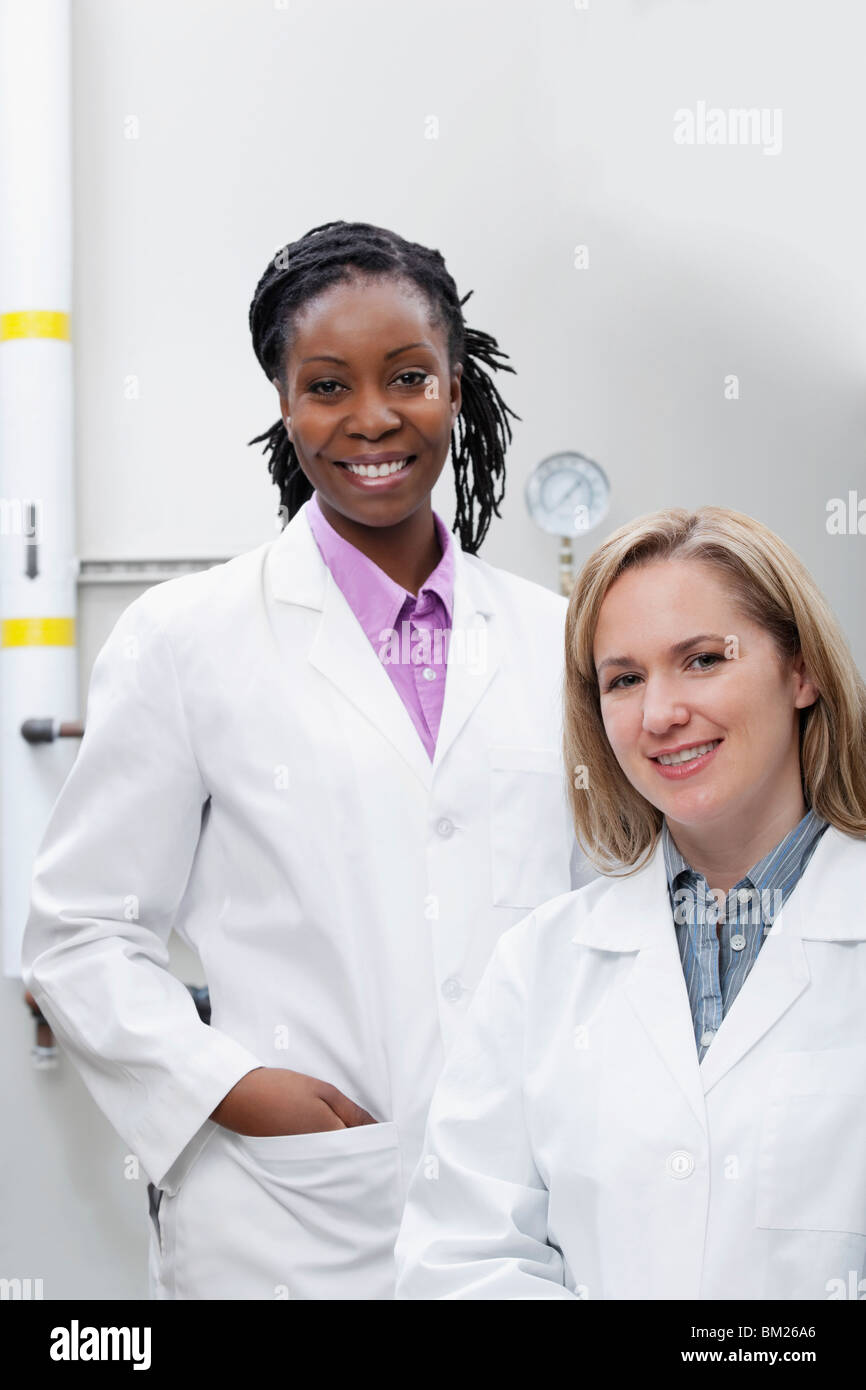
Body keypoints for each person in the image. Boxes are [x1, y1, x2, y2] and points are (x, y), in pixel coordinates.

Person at [21, 220, 590, 1300]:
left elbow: (601, 912)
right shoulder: (187, 638)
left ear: (455, 389)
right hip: (288, 1216)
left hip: (526, 1201)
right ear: (284, 405)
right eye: (326, 385)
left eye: (408, 377)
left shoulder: (557, 640)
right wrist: (232, 1086)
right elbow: (81, 931)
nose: (372, 418)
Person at [394, 505, 866, 1300]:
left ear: (801, 672)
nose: (660, 714)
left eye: (704, 659)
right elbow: (458, 1261)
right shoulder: (542, 964)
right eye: (624, 679)